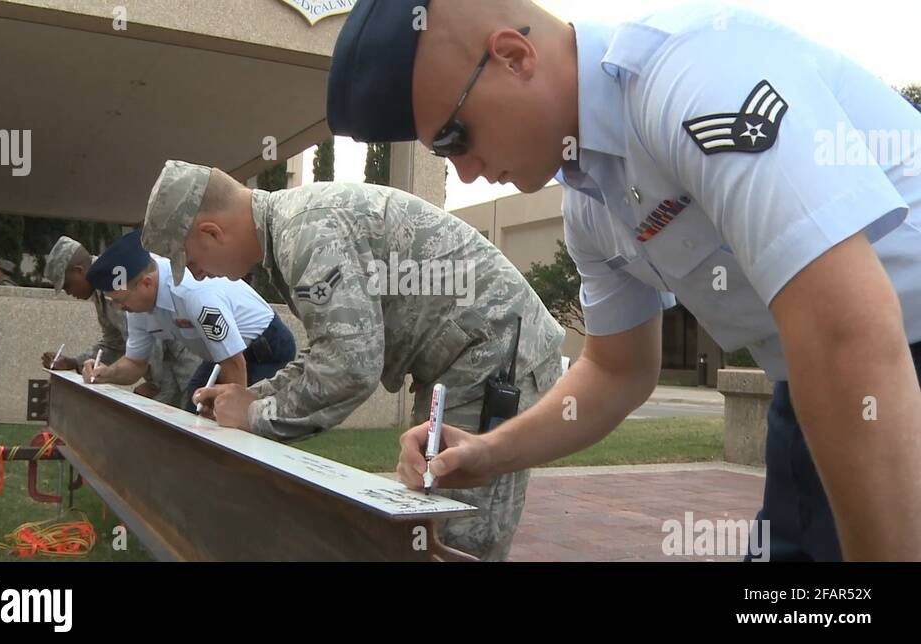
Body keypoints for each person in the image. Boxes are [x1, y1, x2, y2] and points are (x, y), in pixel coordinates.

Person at [327, 0, 921, 561]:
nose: (463, 168)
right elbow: (617, 369)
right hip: (817, 384)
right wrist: (490, 451)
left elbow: (849, 335)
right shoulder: (591, 201)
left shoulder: (693, 73)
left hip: (880, 366)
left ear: (514, 55)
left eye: (457, 136)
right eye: (442, 154)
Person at [140, 160, 566, 561]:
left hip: (491, 358)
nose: (197, 275)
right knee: (432, 522)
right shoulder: (293, 226)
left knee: (455, 532)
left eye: (190, 261)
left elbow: (350, 367)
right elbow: (332, 349)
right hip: (472, 357)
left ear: (212, 232)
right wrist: (254, 395)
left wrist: (254, 414)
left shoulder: (305, 234)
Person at [83, 229, 295, 410]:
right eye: (113, 302)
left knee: (241, 420)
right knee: (196, 406)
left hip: (265, 348)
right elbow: (135, 363)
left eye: (120, 301)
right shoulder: (136, 305)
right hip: (224, 354)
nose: (119, 308)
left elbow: (234, 362)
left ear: (147, 283)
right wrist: (106, 373)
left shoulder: (192, 293)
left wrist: (235, 416)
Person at [40, 235, 201, 407]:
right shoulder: (101, 291)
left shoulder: (116, 279)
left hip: (184, 359)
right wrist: (75, 362)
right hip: (164, 367)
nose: (69, 293)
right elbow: (114, 342)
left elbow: (152, 334)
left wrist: (154, 384)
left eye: (67, 285)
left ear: (79, 271)